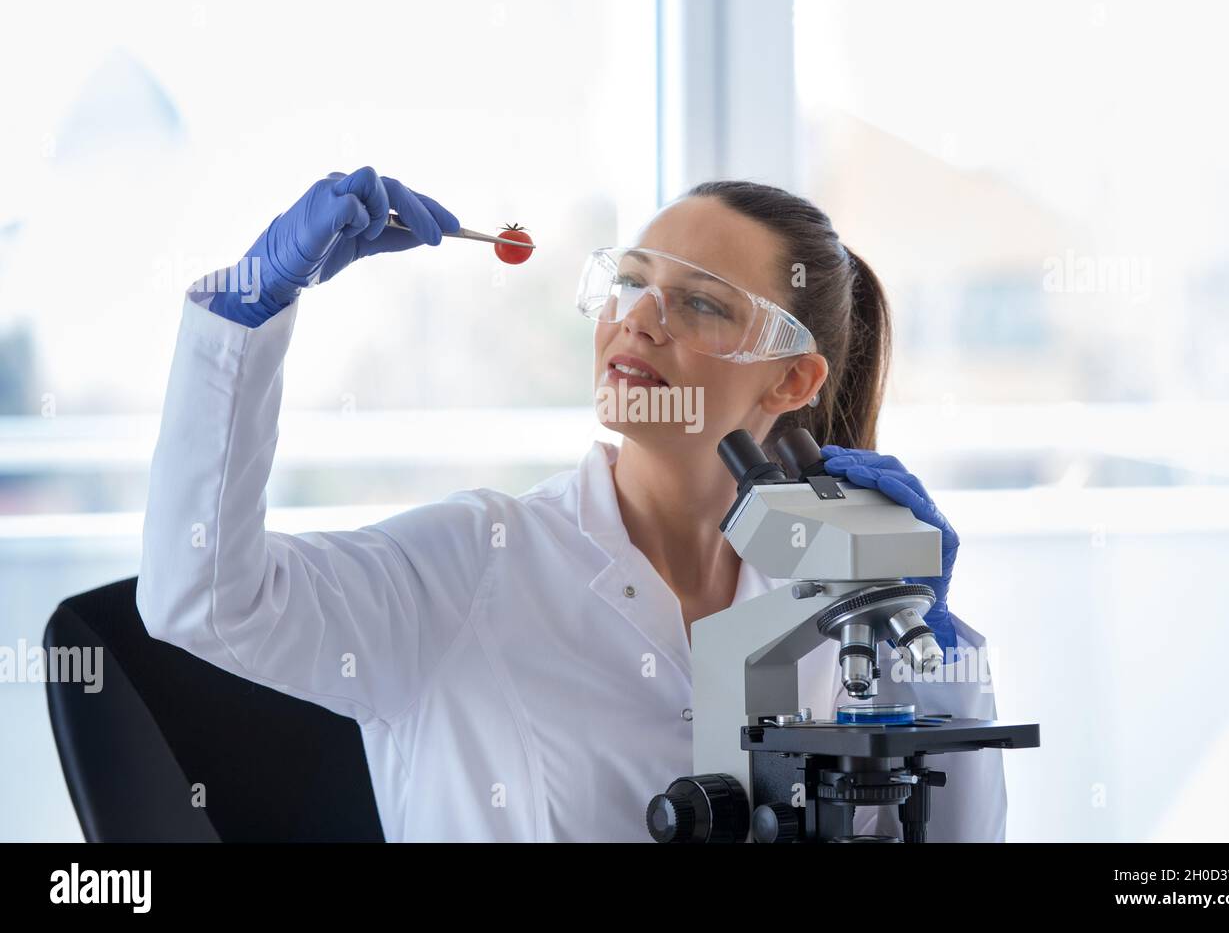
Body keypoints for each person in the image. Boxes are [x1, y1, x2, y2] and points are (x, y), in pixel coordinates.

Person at [137, 167, 1006, 842]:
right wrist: (248, 308)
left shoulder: (843, 612)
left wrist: (941, 644)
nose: (640, 319)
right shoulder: (475, 562)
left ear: (792, 378)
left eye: (699, 302)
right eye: (630, 283)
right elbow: (204, 600)